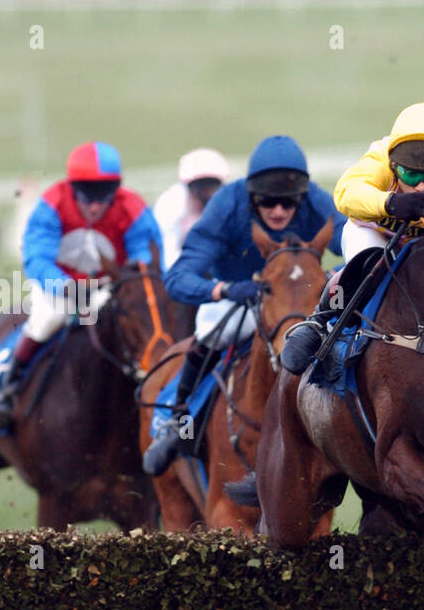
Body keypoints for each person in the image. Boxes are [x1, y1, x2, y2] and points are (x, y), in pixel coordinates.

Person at [143, 135, 346, 475]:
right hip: (239, 299)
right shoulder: (227, 204)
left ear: (302, 195)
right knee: (209, 331)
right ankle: (179, 421)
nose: (278, 210)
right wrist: (223, 289)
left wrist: (329, 278)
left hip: (297, 303)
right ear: (252, 196)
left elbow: (359, 250)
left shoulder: (317, 202)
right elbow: (179, 277)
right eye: (267, 201)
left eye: (288, 202)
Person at [277, 101, 424, 376]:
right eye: (410, 173)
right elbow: (345, 192)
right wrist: (392, 203)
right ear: (393, 163)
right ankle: (321, 320)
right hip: (373, 232)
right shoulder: (379, 156)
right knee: (370, 267)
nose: (421, 186)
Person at [0, 141, 163, 430]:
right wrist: (65, 286)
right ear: (73, 189)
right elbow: (37, 256)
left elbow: (145, 253)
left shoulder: (132, 208)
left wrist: (122, 280)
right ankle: (8, 386)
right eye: (87, 196)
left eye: (103, 196)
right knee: (48, 319)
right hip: (59, 285)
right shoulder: (52, 204)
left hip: (111, 287)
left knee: (135, 323)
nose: (95, 205)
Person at [154, 148, 230, 268]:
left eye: (212, 184)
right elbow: (167, 251)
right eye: (201, 185)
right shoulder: (169, 205)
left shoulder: (230, 201)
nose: (207, 191)